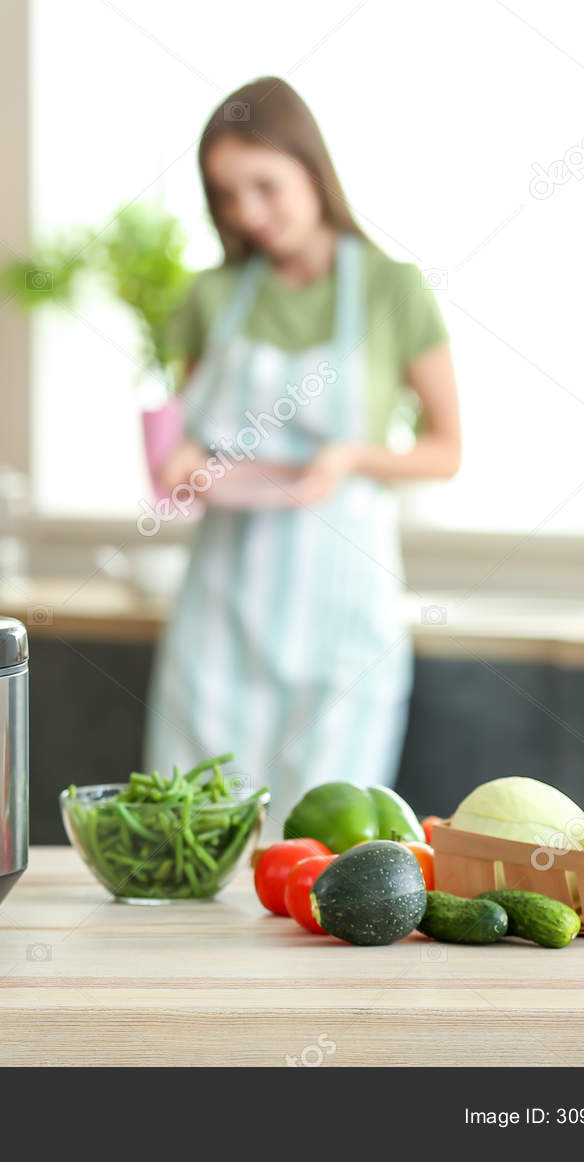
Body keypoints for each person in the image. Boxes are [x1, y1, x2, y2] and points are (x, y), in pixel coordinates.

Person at [145, 76, 462, 823]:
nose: (249, 213)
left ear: (311, 168)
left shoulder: (393, 289)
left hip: (343, 611)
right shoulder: (211, 296)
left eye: (266, 186)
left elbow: (445, 449)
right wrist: (180, 467)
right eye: (227, 196)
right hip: (221, 614)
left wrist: (348, 459)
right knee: (197, 836)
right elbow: (190, 435)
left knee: (323, 844)